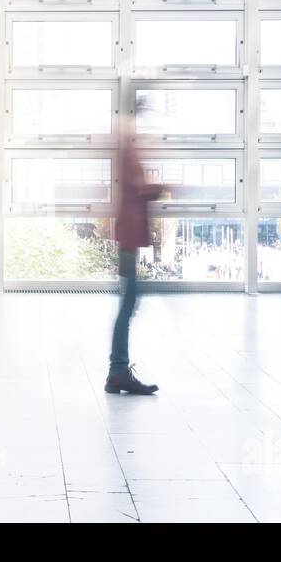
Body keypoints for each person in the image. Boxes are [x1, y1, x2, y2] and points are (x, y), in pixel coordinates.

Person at [106, 135, 164, 396]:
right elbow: (140, 191)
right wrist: (162, 187)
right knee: (127, 306)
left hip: (129, 239)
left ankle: (118, 371)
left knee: (128, 305)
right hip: (129, 239)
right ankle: (117, 371)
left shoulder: (128, 154)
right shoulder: (128, 155)